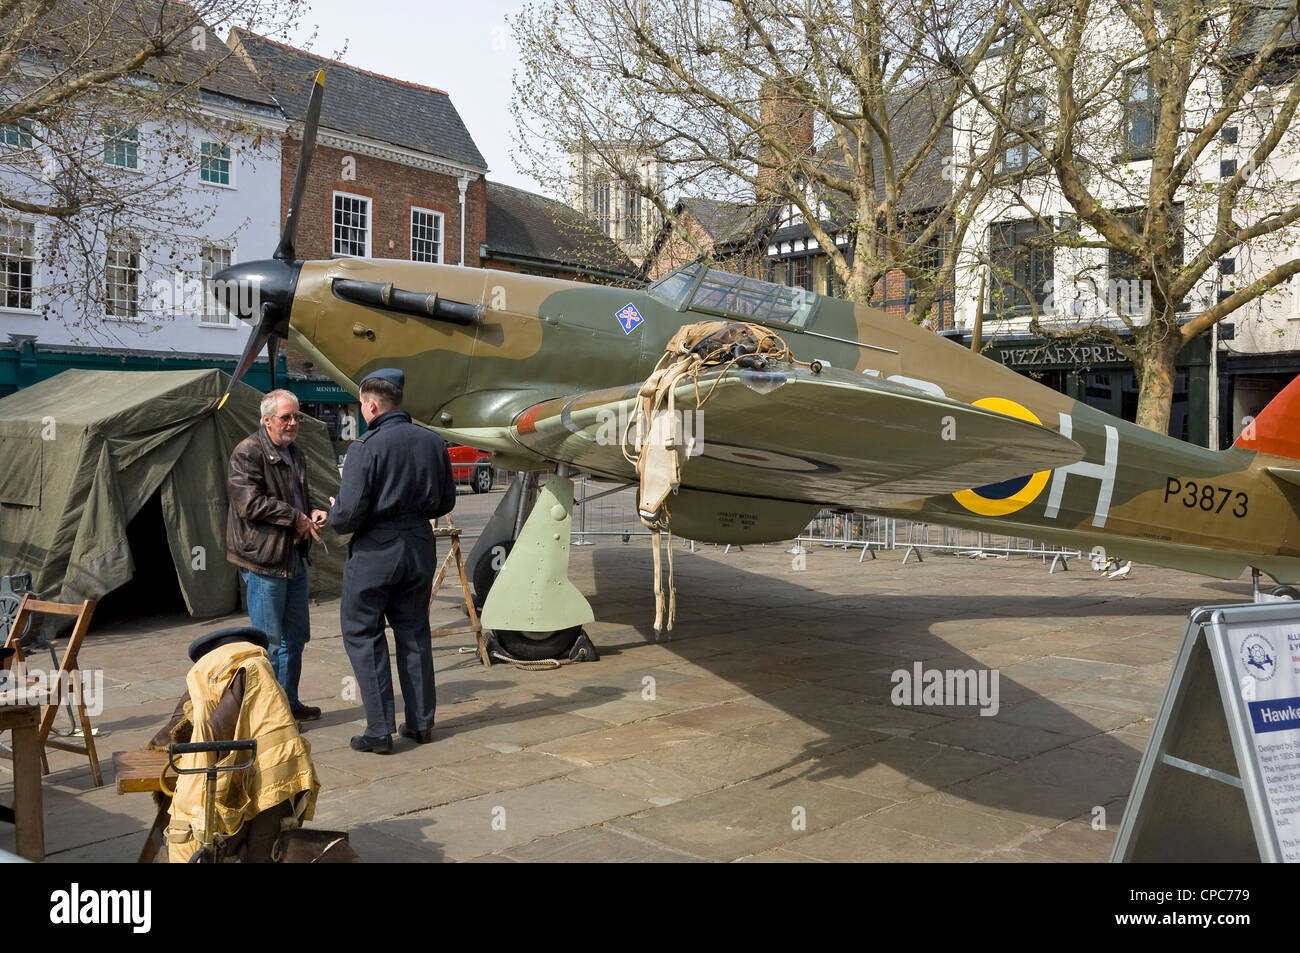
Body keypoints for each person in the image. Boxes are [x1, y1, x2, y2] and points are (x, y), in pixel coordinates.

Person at [329, 368, 456, 754]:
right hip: (419, 545)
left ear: (370, 405)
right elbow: (447, 501)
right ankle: (419, 724)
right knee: (414, 632)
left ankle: (380, 729)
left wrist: (334, 512)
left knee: (363, 634)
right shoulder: (433, 442)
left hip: (376, 549)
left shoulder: (365, 447)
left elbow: (348, 515)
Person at [227, 389, 328, 723]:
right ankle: (271, 718)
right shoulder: (247, 453)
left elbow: (301, 494)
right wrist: (295, 517)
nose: (293, 422)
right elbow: (249, 504)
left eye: (296, 416)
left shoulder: (294, 451)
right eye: (286, 417)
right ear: (266, 420)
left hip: (294, 557)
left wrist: (312, 511)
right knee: (269, 644)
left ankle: (290, 703)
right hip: (264, 561)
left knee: (295, 638)